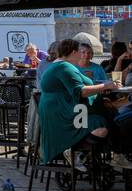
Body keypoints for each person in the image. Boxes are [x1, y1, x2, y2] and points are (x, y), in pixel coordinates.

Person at [37, 39, 115, 169]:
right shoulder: (64, 67)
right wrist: (105, 85)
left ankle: (86, 154)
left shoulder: (60, 65)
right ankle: (76, 151)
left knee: (106, 113)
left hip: (62, 111)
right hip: (65, 116)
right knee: (100, 123)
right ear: (73, 52)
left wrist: (100, 86)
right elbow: (81, 92)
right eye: (80, 52)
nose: (82, 55)